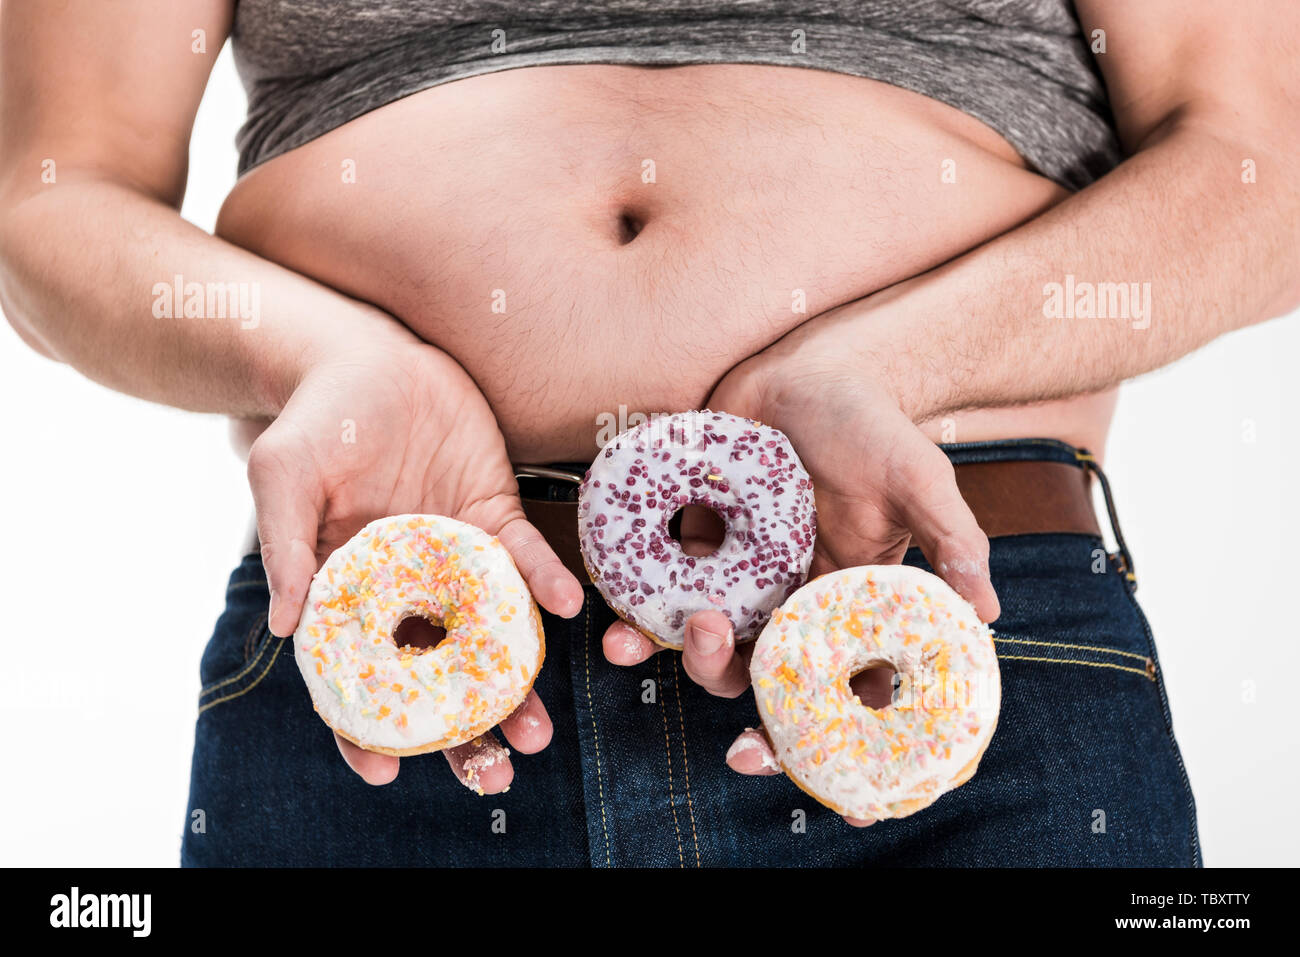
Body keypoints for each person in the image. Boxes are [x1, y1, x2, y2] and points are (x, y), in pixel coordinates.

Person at [1, 0, 1295, 866]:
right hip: (389, 662)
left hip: (933, 629)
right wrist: (327, 358)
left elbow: (1265, 164)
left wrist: (894, 363)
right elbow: (50, 192)